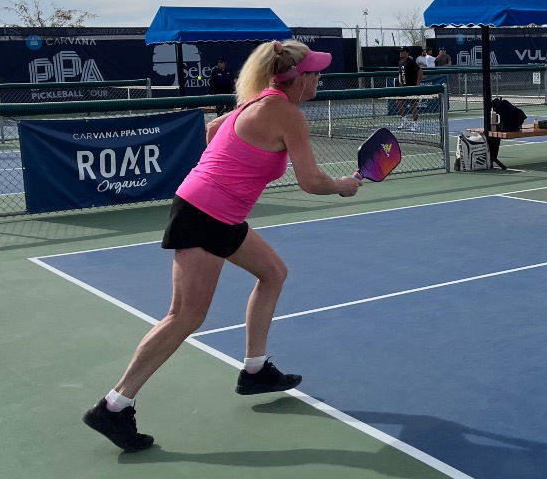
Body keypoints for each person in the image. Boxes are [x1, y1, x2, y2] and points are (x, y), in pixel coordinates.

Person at [82, 39, 358, 452]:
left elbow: (215, 130)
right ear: (296, 80)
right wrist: (344, 186)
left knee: (273, 273)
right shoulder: (286, 113)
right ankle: (114, 405)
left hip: (222, 213)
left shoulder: (255, 103)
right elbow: (311, 181)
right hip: (204, 214)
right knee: (184, 316)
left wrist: (232, 169)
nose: (319, 77)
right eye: (314, 72)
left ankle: (255, 369)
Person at [397, 47, 423, 129]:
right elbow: (400, 73)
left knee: (413, 106)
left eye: (403, 52)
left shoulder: (411, 62)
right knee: (398, 102)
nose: (401, 53)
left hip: (412, 87)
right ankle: (404, 120)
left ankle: (416, 124)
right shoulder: (400, 62)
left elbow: (420, 71)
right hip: (403, 87)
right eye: (400, 52)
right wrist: (400, 81)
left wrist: (418, 83)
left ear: (407, 53)